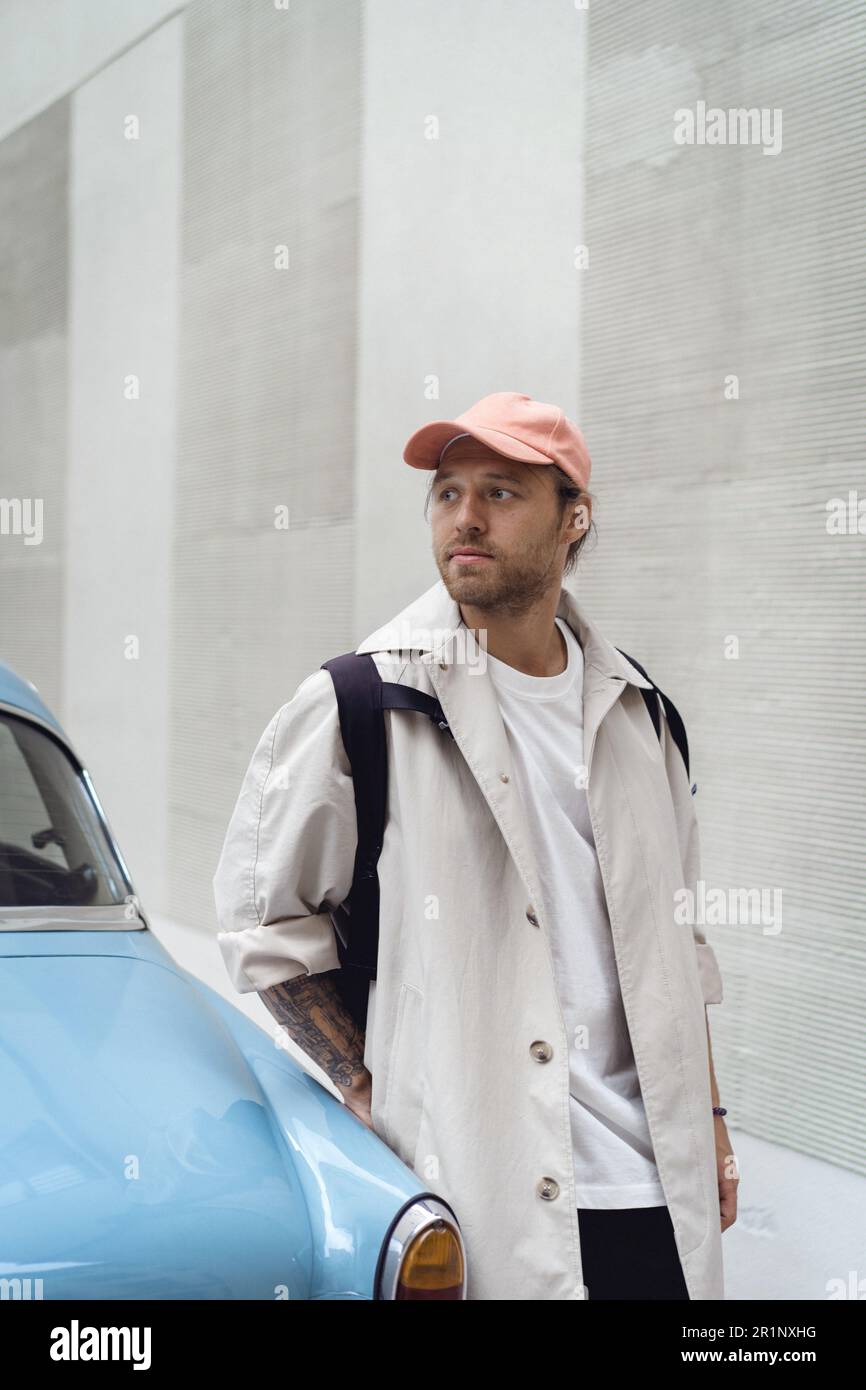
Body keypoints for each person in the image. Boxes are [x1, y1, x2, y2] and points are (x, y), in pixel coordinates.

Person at [212, 390, 737, 1300]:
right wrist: (375, 1088)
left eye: (500, 493)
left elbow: (676, 944)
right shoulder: (360, 703)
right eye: (448, 492)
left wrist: (714, 1121)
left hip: (657, 1195)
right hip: (485, 1189)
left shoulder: (643, 717)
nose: (465, 516)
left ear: (574, 519)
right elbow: (266, 925)